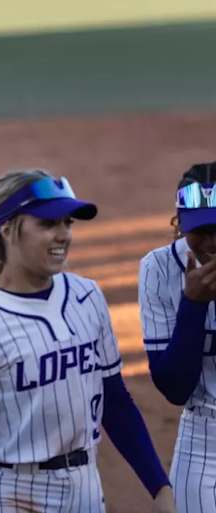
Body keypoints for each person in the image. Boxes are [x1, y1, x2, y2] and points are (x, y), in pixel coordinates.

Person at [0, 170, 175, 513]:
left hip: (84, 486)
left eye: (67, 223)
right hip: (11, 493)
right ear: (8, 229)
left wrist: (159, 488)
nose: (63, 235)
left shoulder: (87, 297)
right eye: (48, 224)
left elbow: (114, 399)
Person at [140, 162, 216, 513]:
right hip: (203, 442)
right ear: (180, 224)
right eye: (202, 230)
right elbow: (174, 387)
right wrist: (193, 305)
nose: (212, 242)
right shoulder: (158, 268)